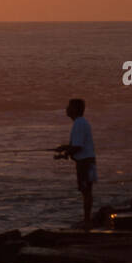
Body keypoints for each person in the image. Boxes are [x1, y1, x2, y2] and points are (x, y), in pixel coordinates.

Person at [54, 98, 96, 229]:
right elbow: (76, 145)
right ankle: (87, 220)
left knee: (86, 191)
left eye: (69, 106)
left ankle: (87, 221)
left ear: (75, 109)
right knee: (86, 191)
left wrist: (65, 153)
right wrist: (64, 149)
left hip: (85, 162)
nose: (66, 109)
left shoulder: (79, 123)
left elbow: (77, 146)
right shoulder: (81, 123)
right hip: (87, 160)